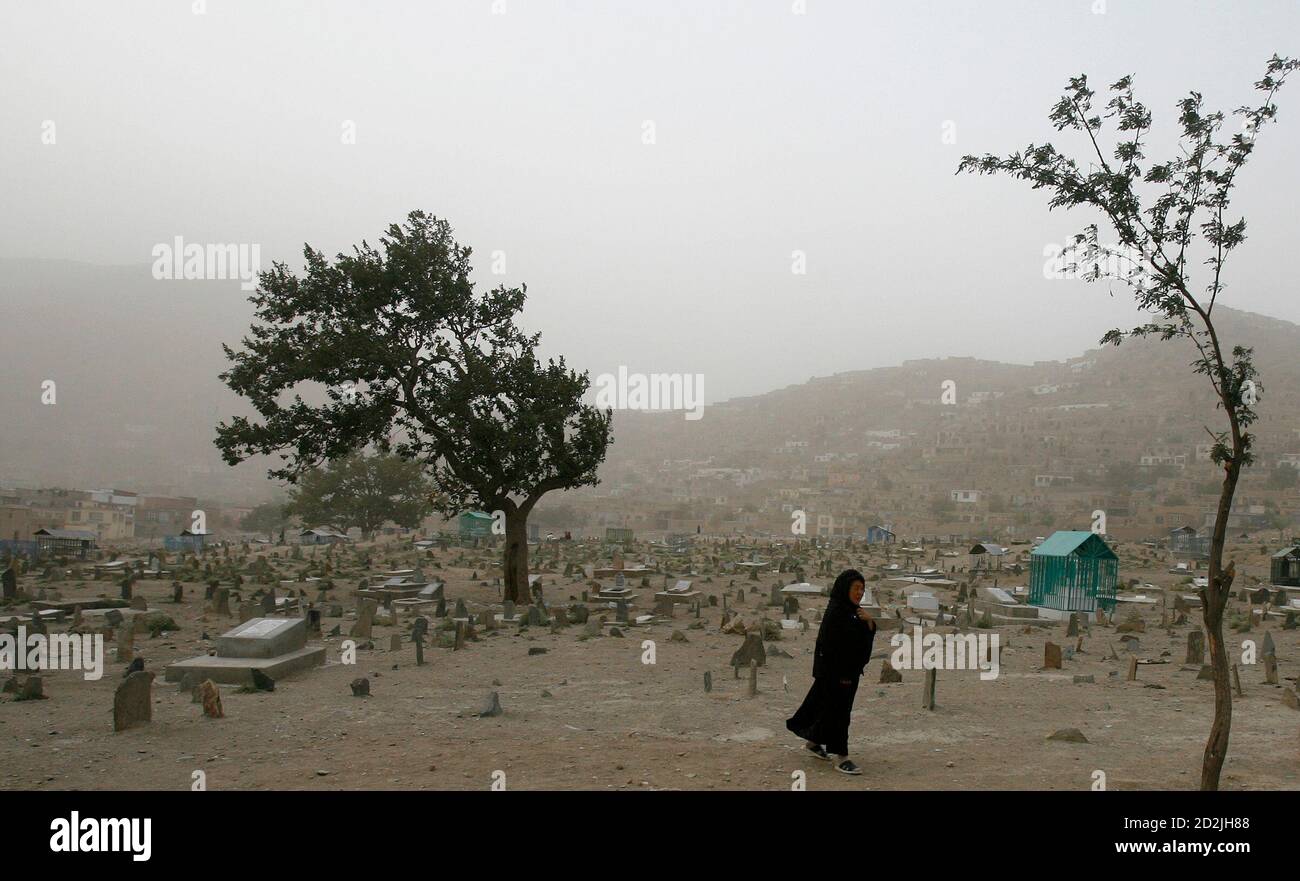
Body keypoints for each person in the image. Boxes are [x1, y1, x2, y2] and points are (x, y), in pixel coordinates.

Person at [785, 568, 876, 774]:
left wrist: (869, 623)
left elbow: (859, 641)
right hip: (837, 674)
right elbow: (832, 645)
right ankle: (841, 756)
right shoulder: (838, 612)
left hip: (841, 673)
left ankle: (813, 742)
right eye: (856, 588)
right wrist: (841, 675)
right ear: (845, 588)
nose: (860, 592)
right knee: (840, 714)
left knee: (823, 707)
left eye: (862, 588)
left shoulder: (852, 611)